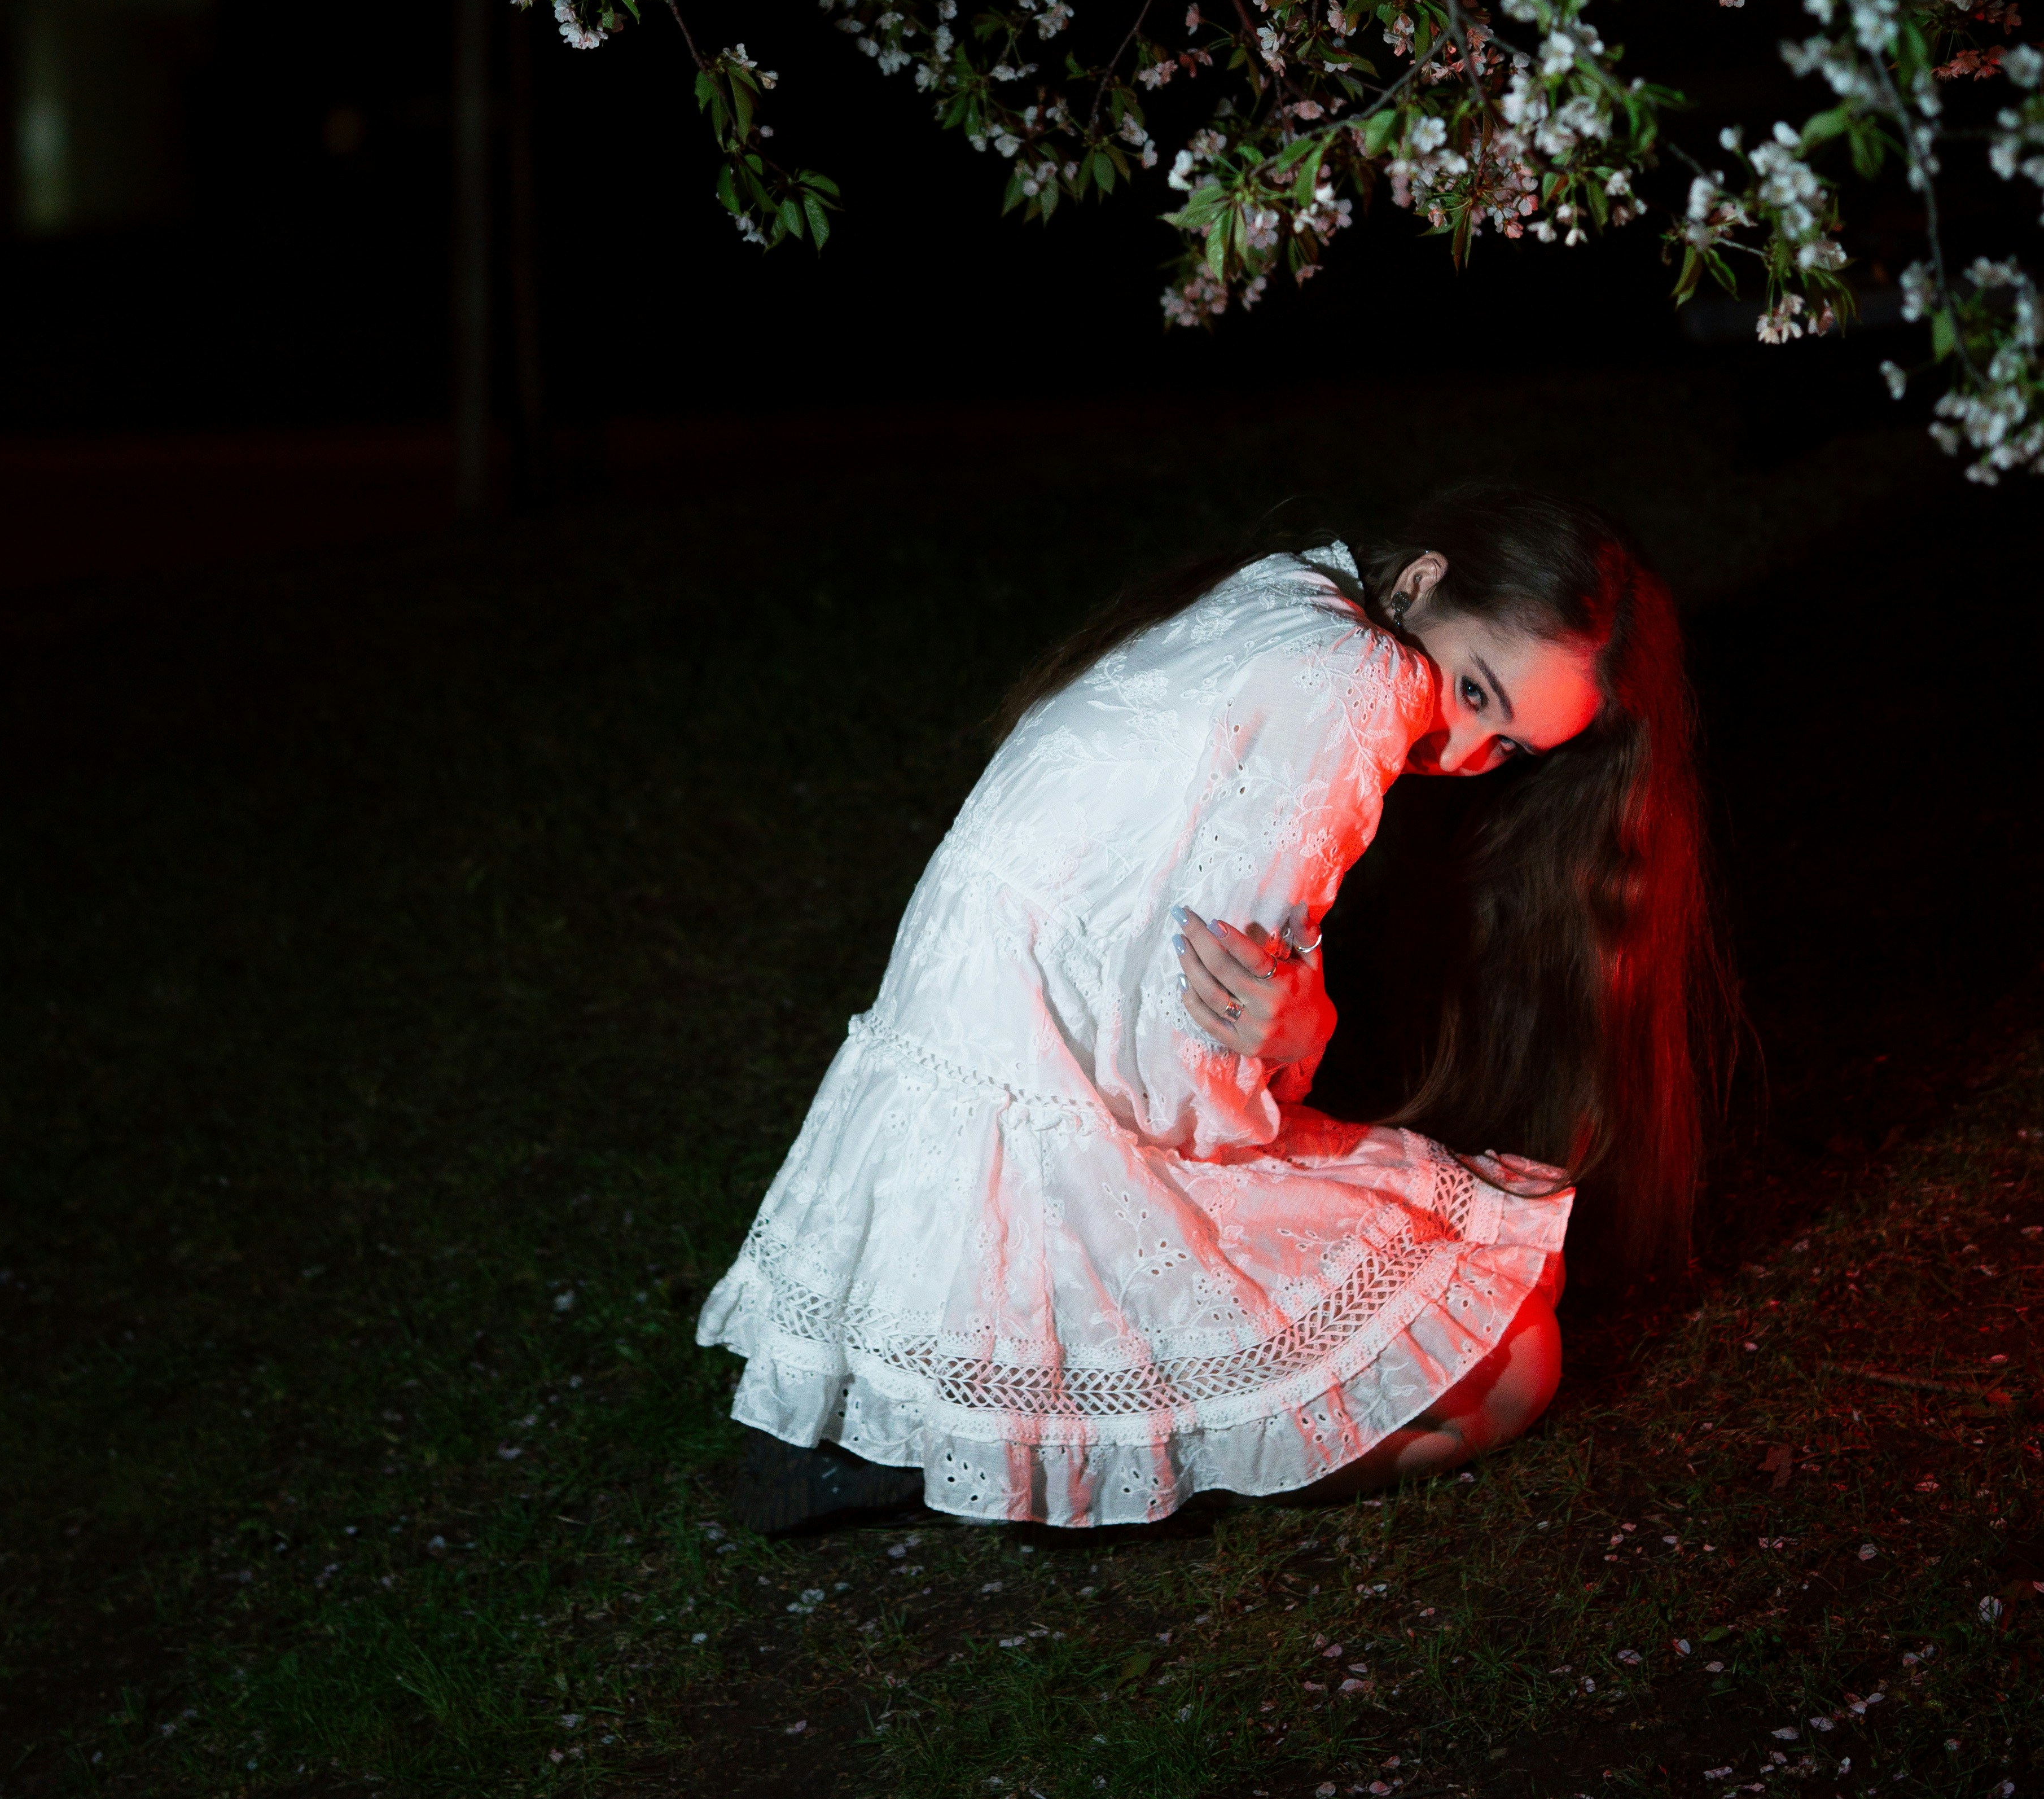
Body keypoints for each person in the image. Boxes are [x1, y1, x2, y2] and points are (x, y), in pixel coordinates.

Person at [699, 482, 1724, 1533]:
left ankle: (979, 1442)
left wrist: (1276, 1047)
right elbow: (1188, 1067)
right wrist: (1298, 1047)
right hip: (1066, 1126)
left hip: (972, 1099)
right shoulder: (1359, 683)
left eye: (1503, 748)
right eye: (1473, 693)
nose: (1458, 756)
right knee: (1516, 1365)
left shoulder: (1282, 592)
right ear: (1420, 581)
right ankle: (1022, 1462)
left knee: (1486, 1293)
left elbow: (1176, 969)